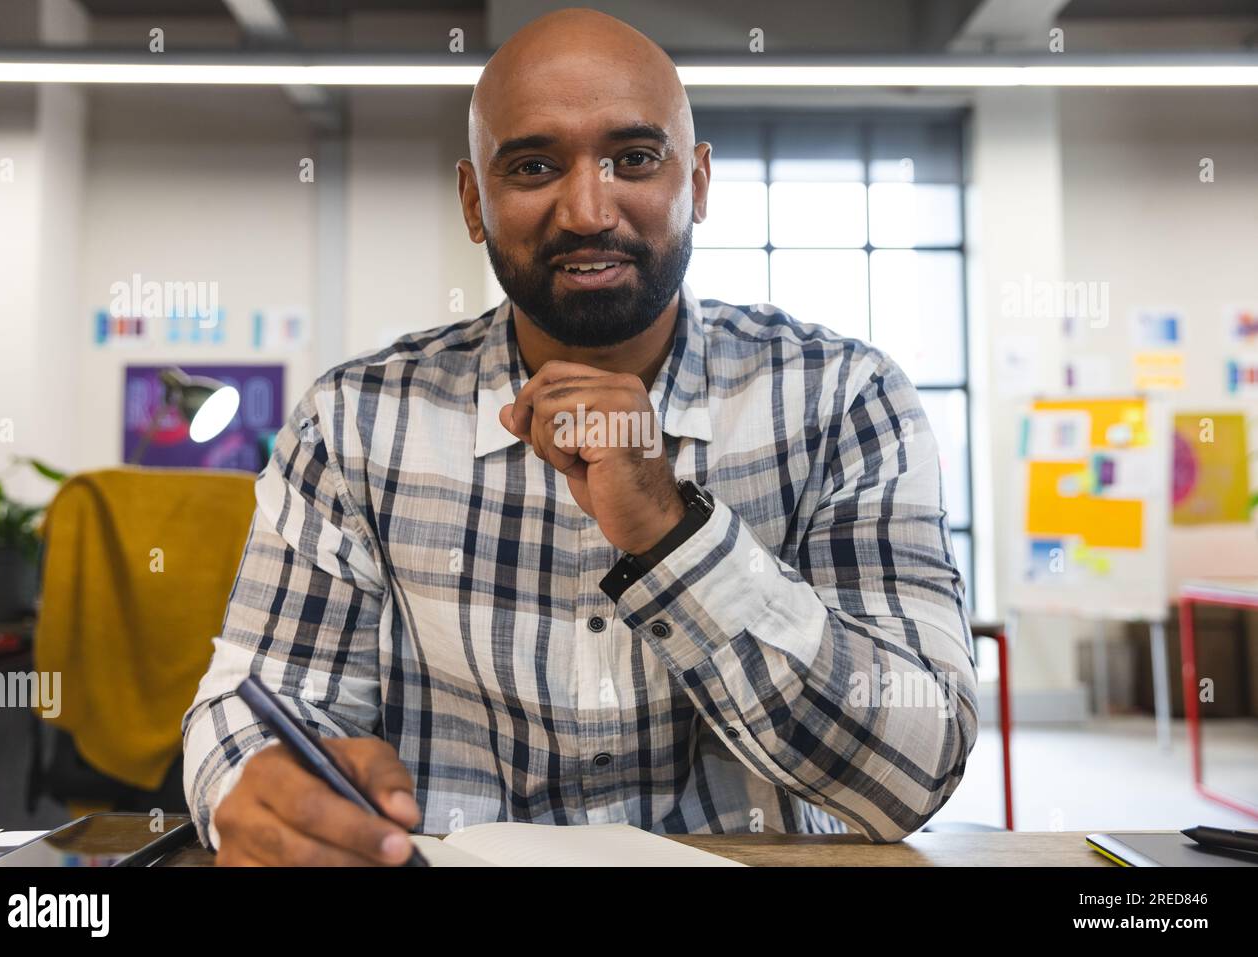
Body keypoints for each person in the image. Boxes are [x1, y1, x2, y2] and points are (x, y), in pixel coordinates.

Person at [183, 7, 978, 866]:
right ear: (473, 202)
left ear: (699, 183)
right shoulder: (353, 423)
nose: (588, 210)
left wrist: (672, 533)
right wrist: (256, 787)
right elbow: (250, 704)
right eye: (533, 166)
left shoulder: (845, 402)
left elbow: (916, 769)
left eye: (634, 158)